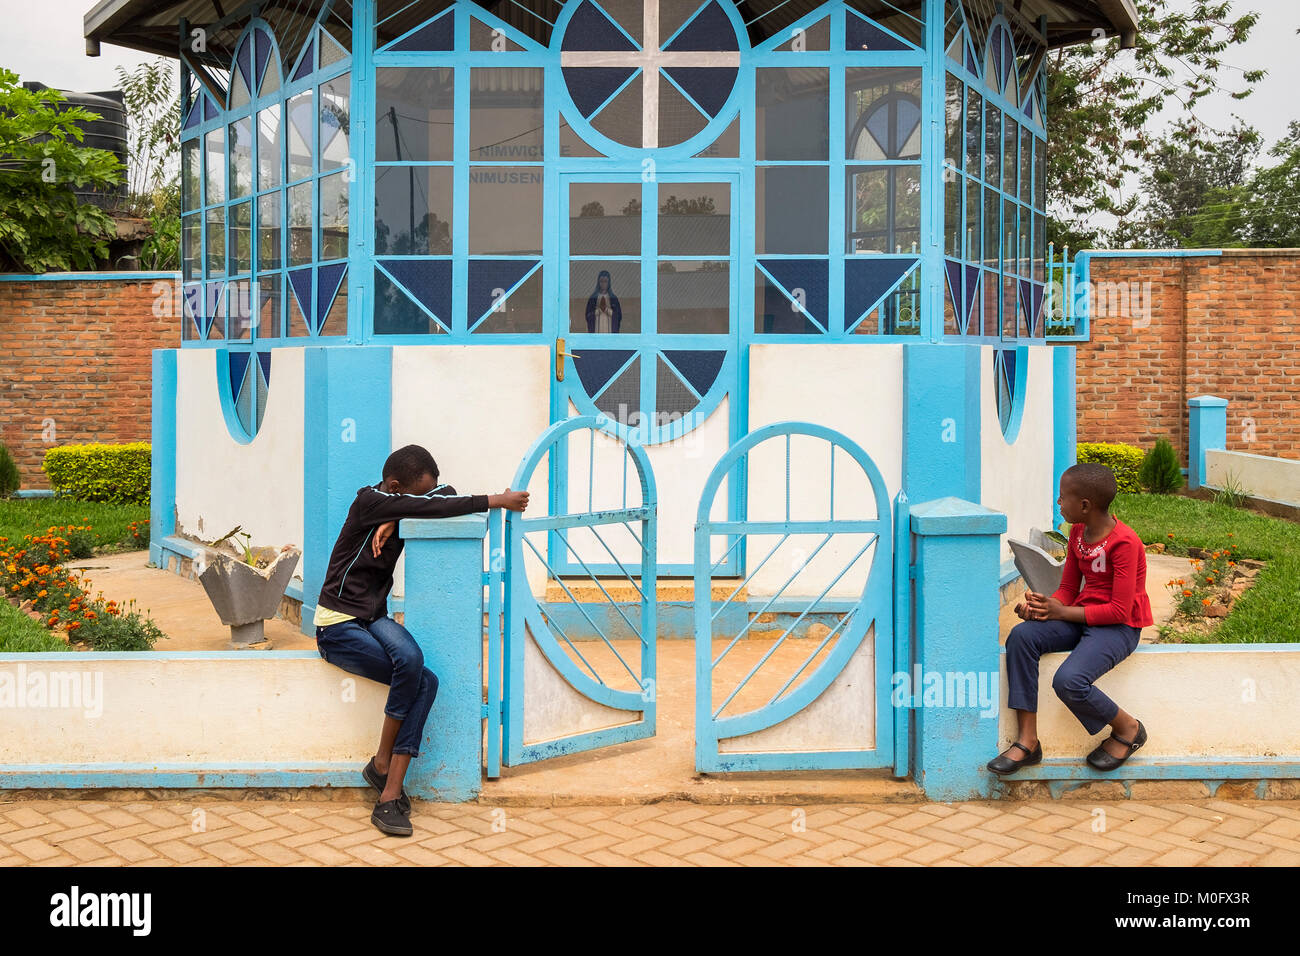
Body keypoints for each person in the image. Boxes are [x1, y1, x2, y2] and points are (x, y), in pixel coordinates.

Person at [313, 444, 528, 835]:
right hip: (339, 626)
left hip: (373, 618)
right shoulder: (368, 500)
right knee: (414, 671)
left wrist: (397, 516)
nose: (423, 497)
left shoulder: (390, 505)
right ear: (393, 486)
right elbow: (434, 506)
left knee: (425, 678)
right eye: (408, 496)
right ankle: (388, 792)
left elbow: (442, 494)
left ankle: (382, 770)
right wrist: (496, 500)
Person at [988, 462, 1154, 776]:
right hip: (1082, 616)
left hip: (1118, 628)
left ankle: (1128, 728)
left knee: (1069, 681)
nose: (1058, 503)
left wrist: (1061, 612)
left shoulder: (1125, 543)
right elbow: (1067, 587)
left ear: (1085, 505)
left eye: (1063, 497)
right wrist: (1044, 607)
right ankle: (1027, 742)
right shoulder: (1078, 532)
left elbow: (1119, 610)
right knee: (1022, 636)